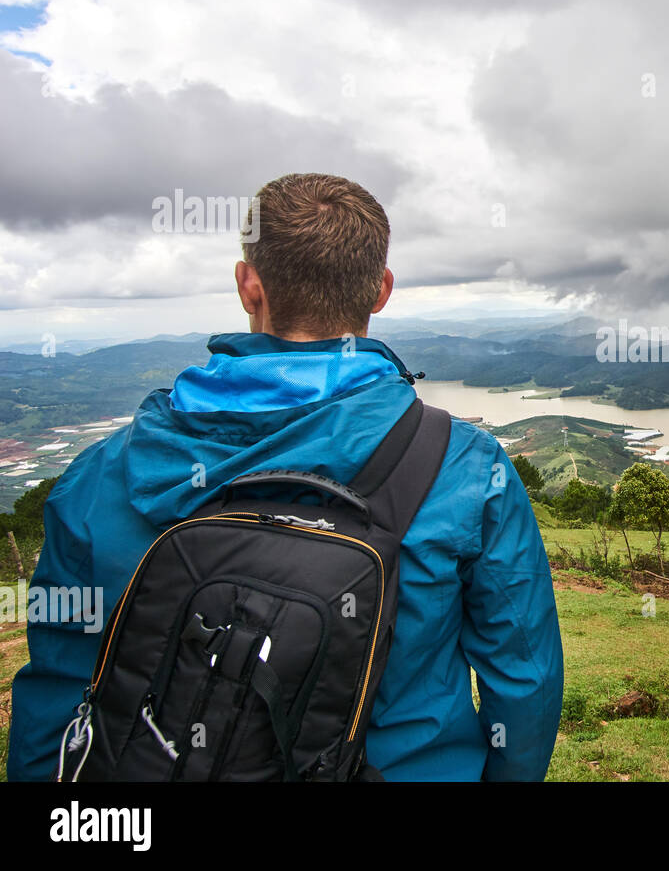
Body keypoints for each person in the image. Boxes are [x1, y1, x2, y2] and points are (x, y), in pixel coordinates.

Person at [7, 173, 563, 781]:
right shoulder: (466, 468)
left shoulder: (103, 472)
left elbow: (57, 691)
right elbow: (524, 676)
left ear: (249, 285)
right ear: (381, 291)